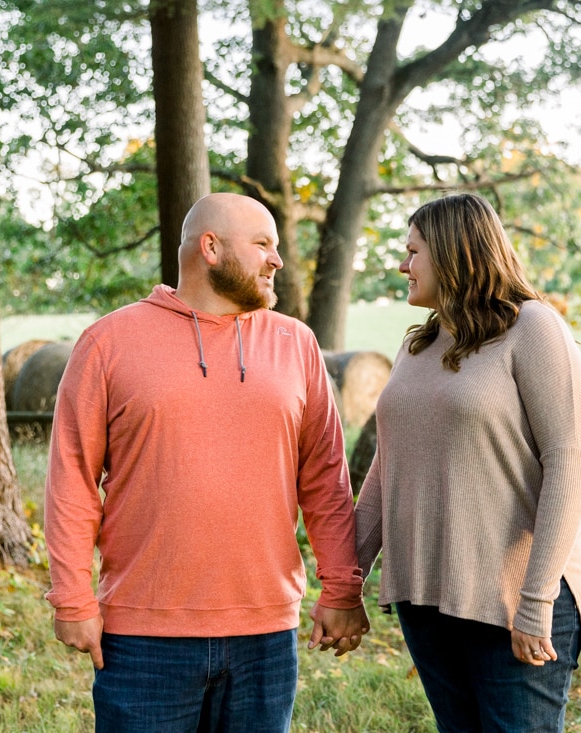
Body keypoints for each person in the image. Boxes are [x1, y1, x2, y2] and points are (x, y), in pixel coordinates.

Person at [44, 192, 370, 733]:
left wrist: (341, 587)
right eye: (263, 244)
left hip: (265, 635)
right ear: (211, 248)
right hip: (143, 636)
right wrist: (73, 597)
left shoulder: (297, 344)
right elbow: (72, 479)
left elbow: (324, 479)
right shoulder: (109, 342)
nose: (278, 260)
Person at [355, 193, 581, 732]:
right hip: (427, 595)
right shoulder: (418, 345)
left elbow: (570, 462)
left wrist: (535, 599)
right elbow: (386, 466)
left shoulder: (532, 328)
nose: (402, 265)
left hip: (515, 597)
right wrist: (347, 578)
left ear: (453, 252)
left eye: (413, 251)